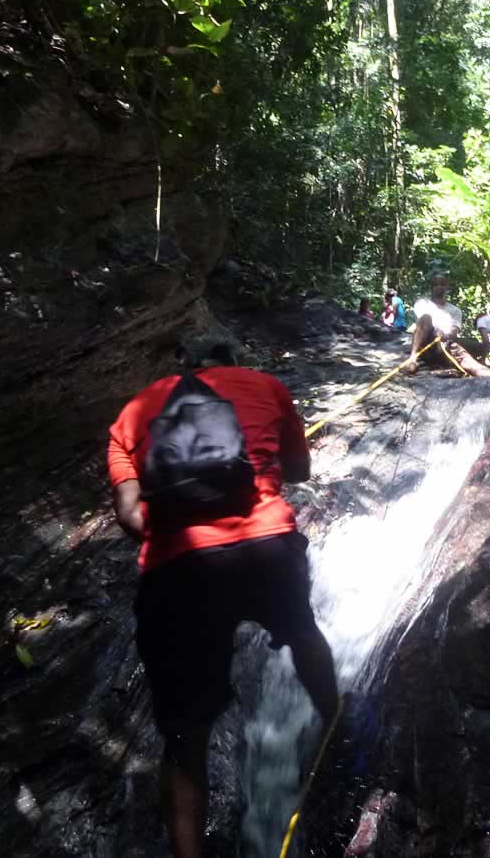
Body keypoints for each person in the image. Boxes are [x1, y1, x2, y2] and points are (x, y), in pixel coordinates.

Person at [107, 342, 340, 858]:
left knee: (185, 736)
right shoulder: (267, 387)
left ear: (183, 366)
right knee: (302, 633)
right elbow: (298, 471)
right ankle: (337, 726)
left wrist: (177, 528)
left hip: (180, 569)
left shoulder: (134, 413)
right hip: (266, 548)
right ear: (231, 358)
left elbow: (131, 518)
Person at [399, 270, 490, 377]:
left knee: (469, 357)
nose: (439, 287)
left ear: (447, 288)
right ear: (432, 287)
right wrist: (436, 330)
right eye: (436, 284)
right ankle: (412, 359)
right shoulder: (423, 303)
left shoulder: (455, 310)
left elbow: (454, 332)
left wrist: (445, 335)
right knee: (426, 317)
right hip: (427, 342)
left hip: (446, 344)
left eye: (442, 284)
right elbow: (422, 323)